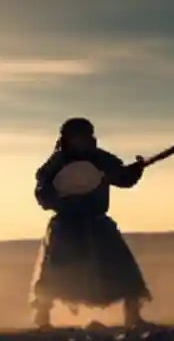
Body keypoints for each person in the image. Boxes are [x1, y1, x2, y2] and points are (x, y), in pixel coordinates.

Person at [31, 118, 151, 329]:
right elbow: (43, 193)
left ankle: (133, 316)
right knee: (55, 271)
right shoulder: (56, 164)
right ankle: (42, 317)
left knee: (122, 267)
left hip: (96, 222)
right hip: (66, 225)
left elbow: (122, 178)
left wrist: (135, 170)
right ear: (67, 138)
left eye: (84, 136)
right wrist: (59, 198)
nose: (80, 141)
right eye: (75, 136)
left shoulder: (101, 160)